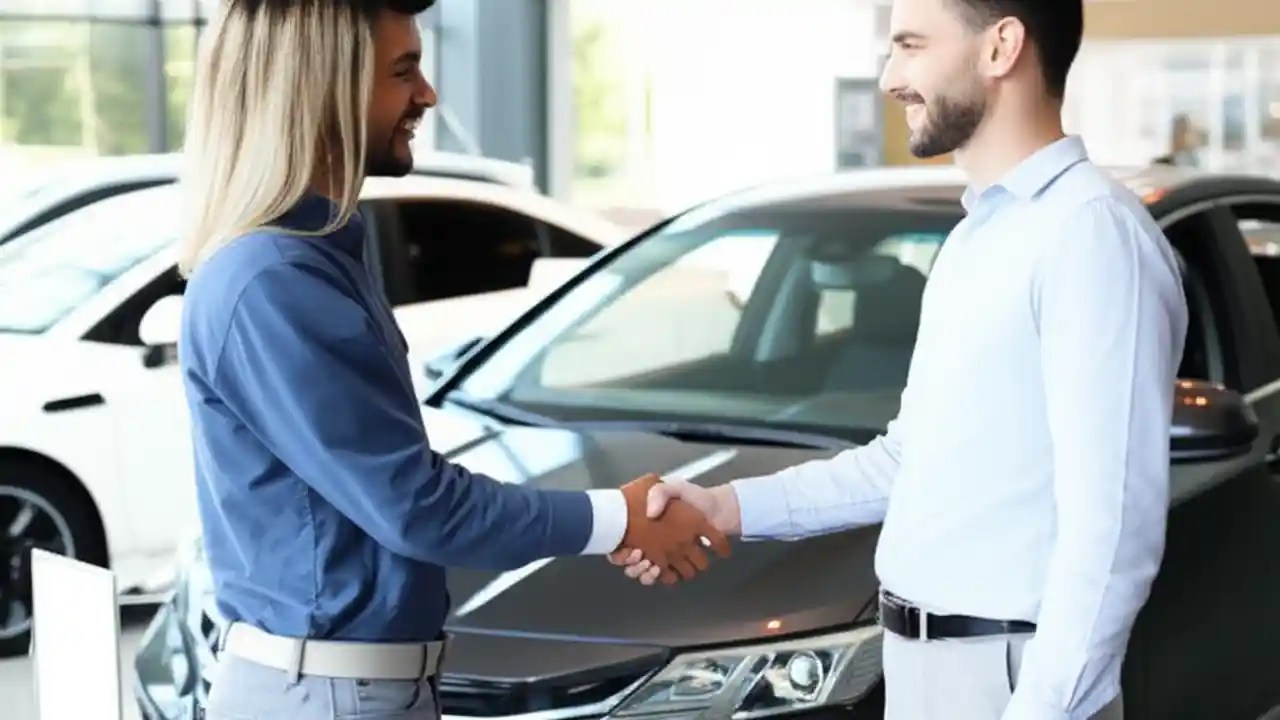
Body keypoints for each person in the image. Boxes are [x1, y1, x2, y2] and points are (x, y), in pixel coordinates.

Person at [612, 0, 1188, 718]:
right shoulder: (980, 237)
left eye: (911, 46)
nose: (891, 78)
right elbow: (904, 462)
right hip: (922, 668)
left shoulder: (1092, 235)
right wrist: (726, 508)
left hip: (1011, 679)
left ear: (1001, 46)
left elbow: (1112, 531)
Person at [175, 2, 728, 719]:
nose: (428, 95)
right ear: (320, 91)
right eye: (403, 72)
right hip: (329, 694)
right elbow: (416, 506)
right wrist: (618, 517)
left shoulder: (318, 253)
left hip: (357, 686)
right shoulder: (273, 280)